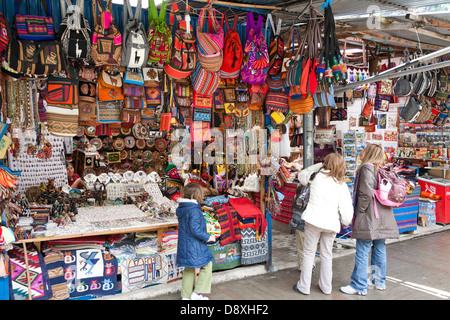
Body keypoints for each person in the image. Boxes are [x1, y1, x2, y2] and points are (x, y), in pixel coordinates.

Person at [341, 144, 399, 296]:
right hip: (383, 215)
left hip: (370, 216)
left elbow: (365, 194)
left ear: (369, 153)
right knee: (379, 247)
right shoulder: (380, 169)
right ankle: (379, 281)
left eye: (364, 150)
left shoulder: (367, 168)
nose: (361, 152)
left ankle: (359, 285)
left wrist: (359, 212)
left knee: (362, 249)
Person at [293, 153, 353, 295]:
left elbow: (302, 174)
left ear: (324, 163)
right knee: (327, 254)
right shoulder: (341, 184)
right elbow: (346, 208)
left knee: (309, 253)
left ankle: (304, 286)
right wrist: (345, 222)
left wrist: (320, 166)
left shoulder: (315, 177)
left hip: (313, 221)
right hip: (331, 224)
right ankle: (326, 287)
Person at [176, 182, 216, 300]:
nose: (202, 195)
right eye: (201, 193)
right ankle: (197, 293)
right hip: (195, 245)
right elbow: (195, 230)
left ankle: (186, 296)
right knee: (207, 264)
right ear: (196, 195)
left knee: (189, 268)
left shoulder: (183, 208)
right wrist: (209, 237)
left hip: (185, 244)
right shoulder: (194, 209)